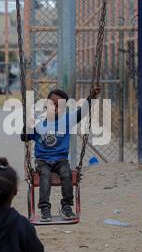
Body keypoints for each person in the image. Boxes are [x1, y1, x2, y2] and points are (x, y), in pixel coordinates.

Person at [21, 86, 101, 222]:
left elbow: (83, 112)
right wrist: (27, 125)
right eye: (52, 104)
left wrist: (91, 96)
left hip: (61, 159)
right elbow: (25, 138)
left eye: (59, 105)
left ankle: (66, 206)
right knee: (44, 176)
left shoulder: (67, 120)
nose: (54, 107)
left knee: (66, 173)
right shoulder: (39, 122)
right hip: (42, 160)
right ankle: (45, 208)